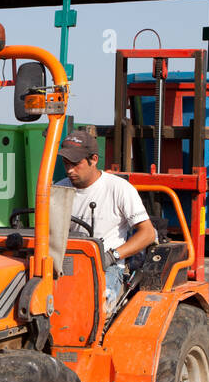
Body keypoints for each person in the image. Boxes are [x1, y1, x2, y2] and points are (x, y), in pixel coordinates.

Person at [55, 129, 156, 309]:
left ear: (93, 159)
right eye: (66, 163)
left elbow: (147, 233)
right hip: (67, 263)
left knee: (93, 306)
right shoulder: (58, 190)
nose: (69, 170)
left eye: (76, 164)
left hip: (107, 267)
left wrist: (112, 256)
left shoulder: (119, 189)